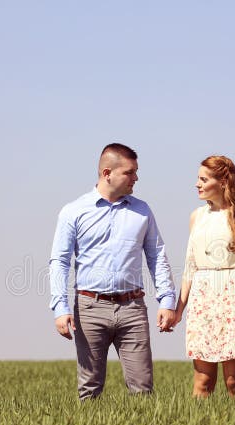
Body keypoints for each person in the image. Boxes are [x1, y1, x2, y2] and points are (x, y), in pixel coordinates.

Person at [49, 143, 177, 400]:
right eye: (130, 172)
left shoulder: (142, 211)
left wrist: (167, 300)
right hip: (89, 308)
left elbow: (156, 256)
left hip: (133, 309)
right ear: (107, 173)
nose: (136, 178)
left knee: (143, 389)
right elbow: (59, 261)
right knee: (89, 390)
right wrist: (60, 308)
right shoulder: (73, 211)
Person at [174, 155, 235, 397]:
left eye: (203, 179)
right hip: (202, 301)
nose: (197, 184)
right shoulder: (197, 216)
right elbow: (189, 267)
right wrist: (178, 311)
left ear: (223, 181)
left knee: (233, 382)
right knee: (203, 382)